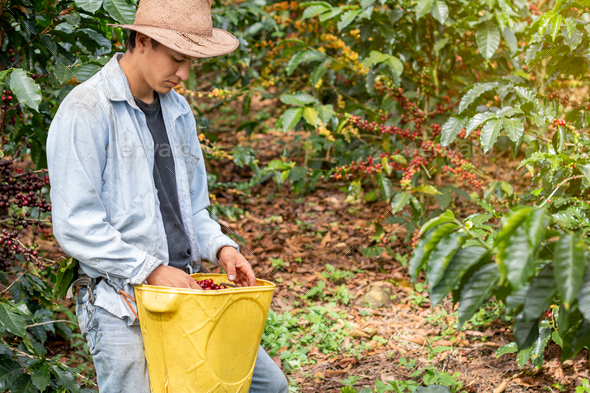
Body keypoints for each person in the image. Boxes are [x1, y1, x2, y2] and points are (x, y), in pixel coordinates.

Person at [46, 0, 288, 391]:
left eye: (191, 61)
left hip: (186, 290)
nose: (184, 73)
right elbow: (77, 224)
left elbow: (192, 207)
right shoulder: (87, 110)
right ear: (142, 40)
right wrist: (151, 269)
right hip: (120, 300)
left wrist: (222, 248)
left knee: (266, 385)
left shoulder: (178, 111)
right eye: (177, 59)